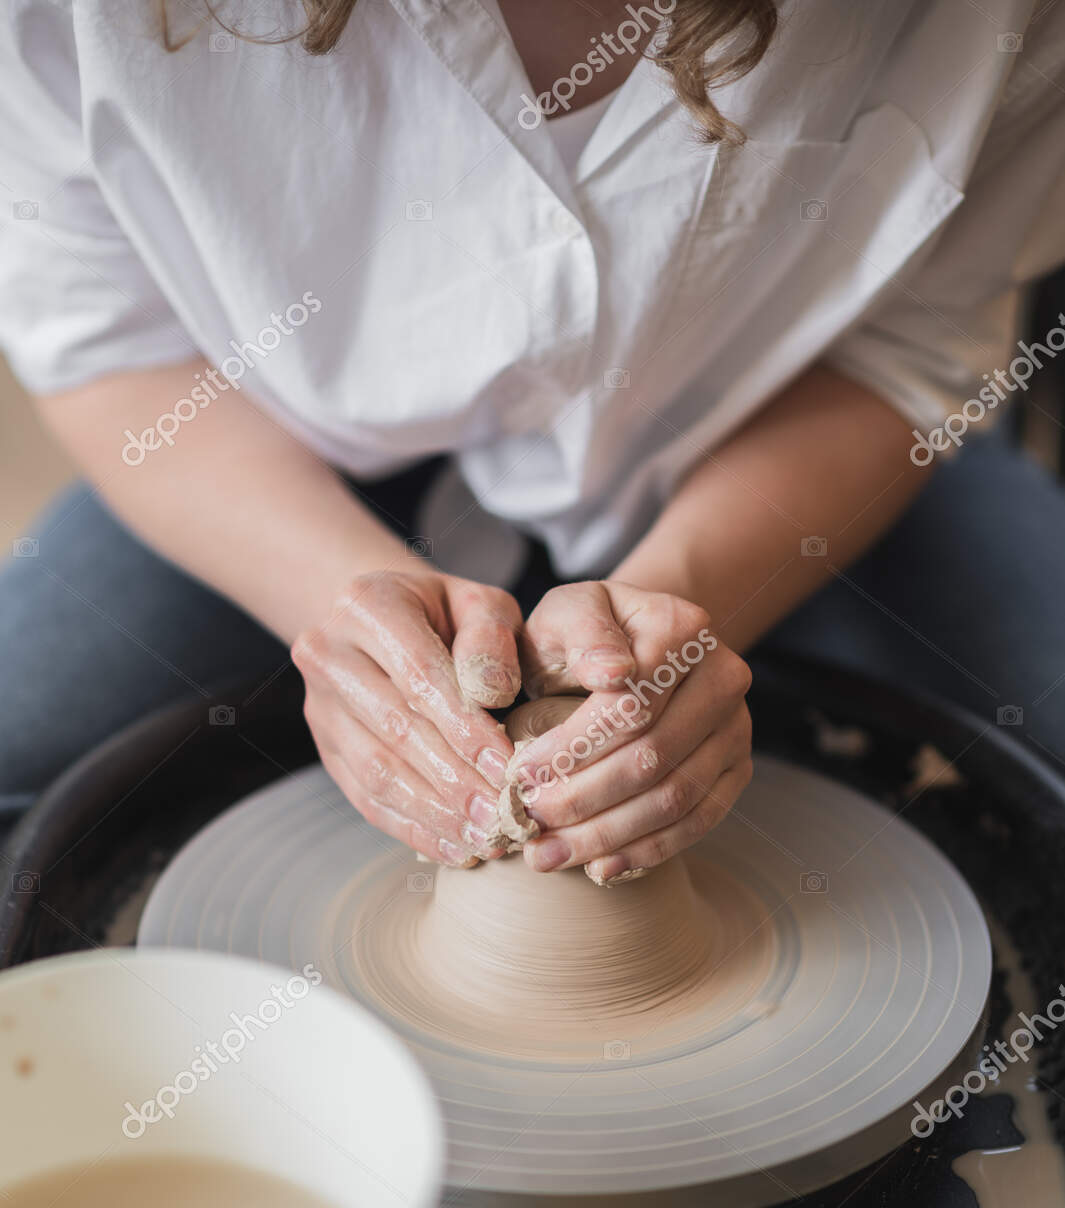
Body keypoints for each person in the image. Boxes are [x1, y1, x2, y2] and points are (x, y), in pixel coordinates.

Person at [1, 0, 1064, 877]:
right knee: (23, 753)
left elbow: (902, 349)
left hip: (760, 434)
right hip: (281, 445)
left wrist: (694, 600)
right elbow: (110, 345)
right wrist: (344, 614)